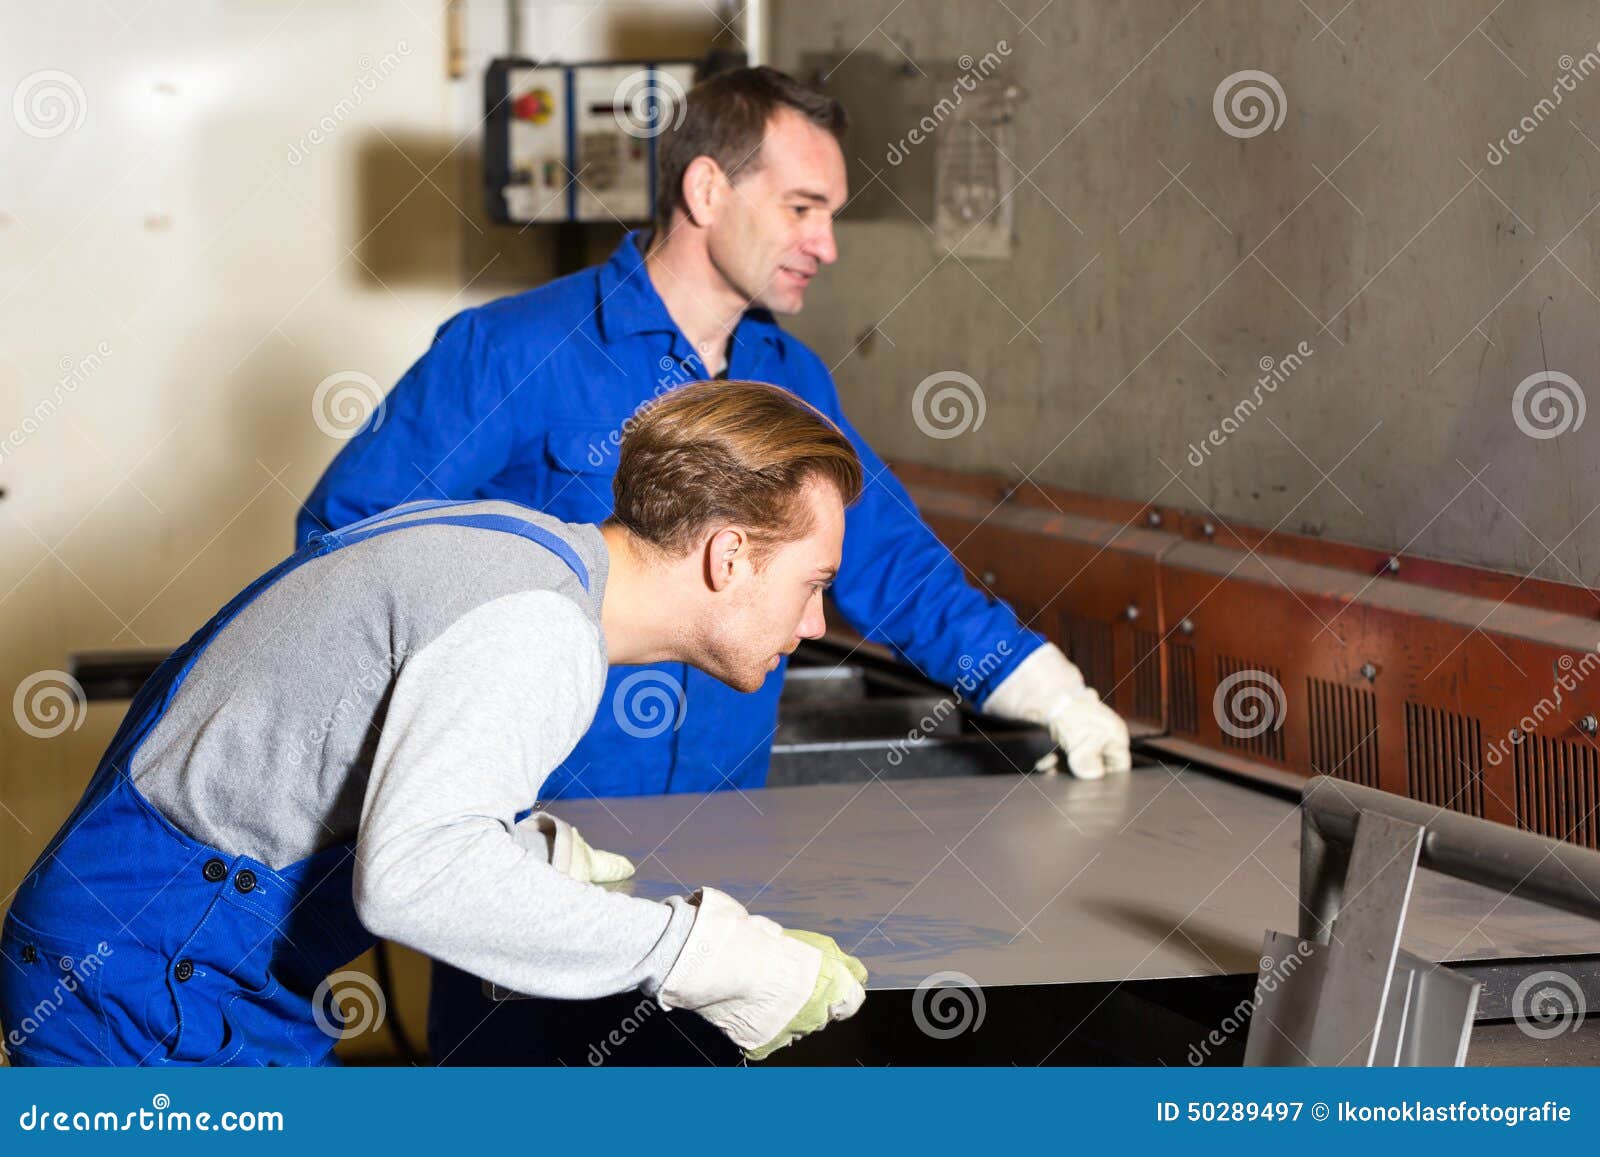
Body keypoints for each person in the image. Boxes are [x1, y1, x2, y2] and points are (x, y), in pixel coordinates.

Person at [296, 65, 1131, 1063]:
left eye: (831, 214)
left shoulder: (790, 378)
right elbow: (348, 544)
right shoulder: (511, 349)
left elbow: (890, 561)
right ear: (706, 191)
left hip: (725, 872)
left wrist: (1042, 686)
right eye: (802, 207)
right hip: (533, 870)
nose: (824, 244)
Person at [0, 381, 869, 1067]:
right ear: (729, 556)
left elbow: (343, 748)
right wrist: (707, 955)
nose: (817, 622)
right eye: (813, 581)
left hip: (160, 953)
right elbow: (413, 879)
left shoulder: (527, 548)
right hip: (148, 982)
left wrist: (524, 858)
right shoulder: (540, 628)